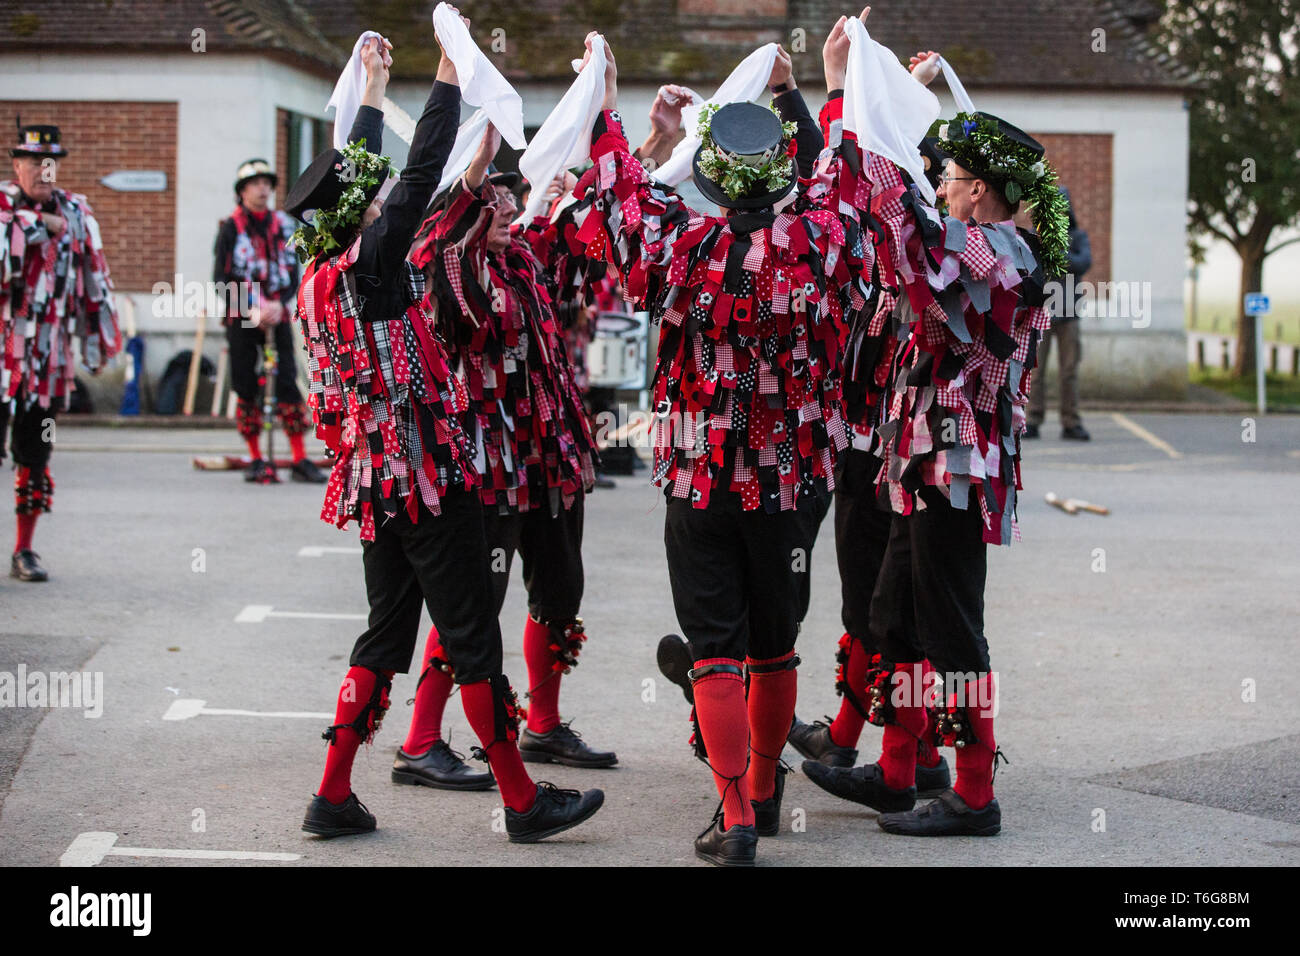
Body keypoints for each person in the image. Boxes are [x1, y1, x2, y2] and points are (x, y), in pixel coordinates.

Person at [288, 23, 602, 843]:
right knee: (471, 637)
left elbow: (358, 181)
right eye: (372, 196)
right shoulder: (378, 260)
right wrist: (447, 75)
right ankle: (524, 801)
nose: (387, 199)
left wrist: (365, 96)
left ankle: (333, 794)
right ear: (362, 212)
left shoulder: (316, 280)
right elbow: (424, 163)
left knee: (383, 636)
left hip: (368, 482)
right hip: (425, 474)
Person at [581, 20, 866, 865]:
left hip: (701, 476)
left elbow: (617, 199)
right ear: (784, 178)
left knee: (715, 648)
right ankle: (770, 791)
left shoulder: (679, 243)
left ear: (709, 177)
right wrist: (824, 83)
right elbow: (845, 173)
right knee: (776, 641)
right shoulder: (820, 238)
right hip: (794, 482)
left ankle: (736, 815)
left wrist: (610, 103)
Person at [802, 97, 1069, 836]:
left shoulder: (1006, 253)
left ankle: (976, 795)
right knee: (896, 617)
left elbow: (909, 226)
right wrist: (873, 102)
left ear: (980, 189)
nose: (941, 185)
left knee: (953, 630)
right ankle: (895, 772)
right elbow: (913, 228)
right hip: (921, 461)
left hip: (958, 465)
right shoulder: (977, 240)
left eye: (950, 175)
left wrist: (860, 107)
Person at [398, 125, 616, 782]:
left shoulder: (526, 259)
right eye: (490, 198)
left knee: (559, 589)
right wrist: (473, 169)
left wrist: (628, 130)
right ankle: (419, 743)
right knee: (475, 601)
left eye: (508, 197)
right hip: (486, 462)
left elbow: (596, 223)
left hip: (546, 458)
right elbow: (444, 247)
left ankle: (543, 726)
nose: (506, 208)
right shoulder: (438, 266)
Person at [0, 122, 119, 582]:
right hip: (2, 357)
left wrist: (99, 338)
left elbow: (95, 279)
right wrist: (33, 224)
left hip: (48, 363)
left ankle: (23, 550)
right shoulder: (4, 208)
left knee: (36, 454)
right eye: (33, 162)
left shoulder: (75, 214)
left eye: (51, 163)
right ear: (16, 166)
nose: (43, 171)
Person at [213, 158, 322, 483]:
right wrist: (251, 309)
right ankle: (257, 458)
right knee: (245, 383)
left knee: (287, 380)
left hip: (277, 313)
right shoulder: (230, 228)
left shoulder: (283, 225)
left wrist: (277, 304)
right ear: (242, 191)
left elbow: (292, 271)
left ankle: (299, 457)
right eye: (255, 183)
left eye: (266, 183)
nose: (262, 189)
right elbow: (221, 278)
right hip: (243, 318)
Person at [1026, 186, 1091, 440]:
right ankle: (1032, 419)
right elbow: (1028, 266)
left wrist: (1058, 249)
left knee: (1069, 371)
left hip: (1070, 312)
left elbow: (1083, 262)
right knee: (1035, 371)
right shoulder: (1035, 236)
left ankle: (1070, 421)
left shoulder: (1077, 237)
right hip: (1043, 312)